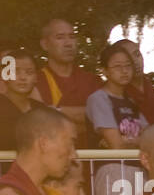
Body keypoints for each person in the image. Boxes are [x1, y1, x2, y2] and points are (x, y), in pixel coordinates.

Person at [33, 19, 102, 147]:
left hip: (91, 156)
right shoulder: (36, 80)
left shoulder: (91, 80)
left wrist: (57, 111)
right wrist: (83, 118)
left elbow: (101, 116)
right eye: (60, 37)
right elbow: (40, 123)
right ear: (45, 44)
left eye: (72, 37)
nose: (68, 43)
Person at [87, 42, 149, 149]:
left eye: (128, 65)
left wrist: (128, 140)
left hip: (138, 162)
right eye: (117, 66)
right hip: (112, 164)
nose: (124, 71)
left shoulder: (131, 100)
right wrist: (137, 140)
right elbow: (116, 145)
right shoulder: (99, 99)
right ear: (104, 71)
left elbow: (150, 138)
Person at [0, 49, 43, 150]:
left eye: (29, 72)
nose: (23, 77)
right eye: (15, 71)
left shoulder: (40, 108)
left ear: (36, 77)